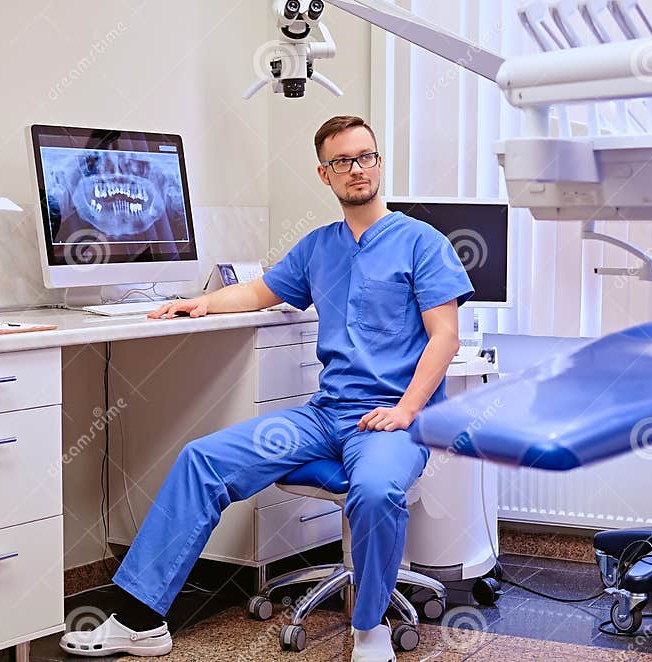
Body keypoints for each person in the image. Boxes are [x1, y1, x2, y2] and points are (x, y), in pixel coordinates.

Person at [59, 115, 474, 662]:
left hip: (390, 419)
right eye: (343, 161)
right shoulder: (319, 247)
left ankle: (370, 629)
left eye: (366, 156)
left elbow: (445, 337)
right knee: (203, 459)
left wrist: (407, 409)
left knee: (376, 492)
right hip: (325, 416)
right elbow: (259, 292)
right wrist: (201, 303)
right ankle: (140, 621)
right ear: (325, 174)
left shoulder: (422, 243)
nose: (357, 169)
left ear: (379, 161)